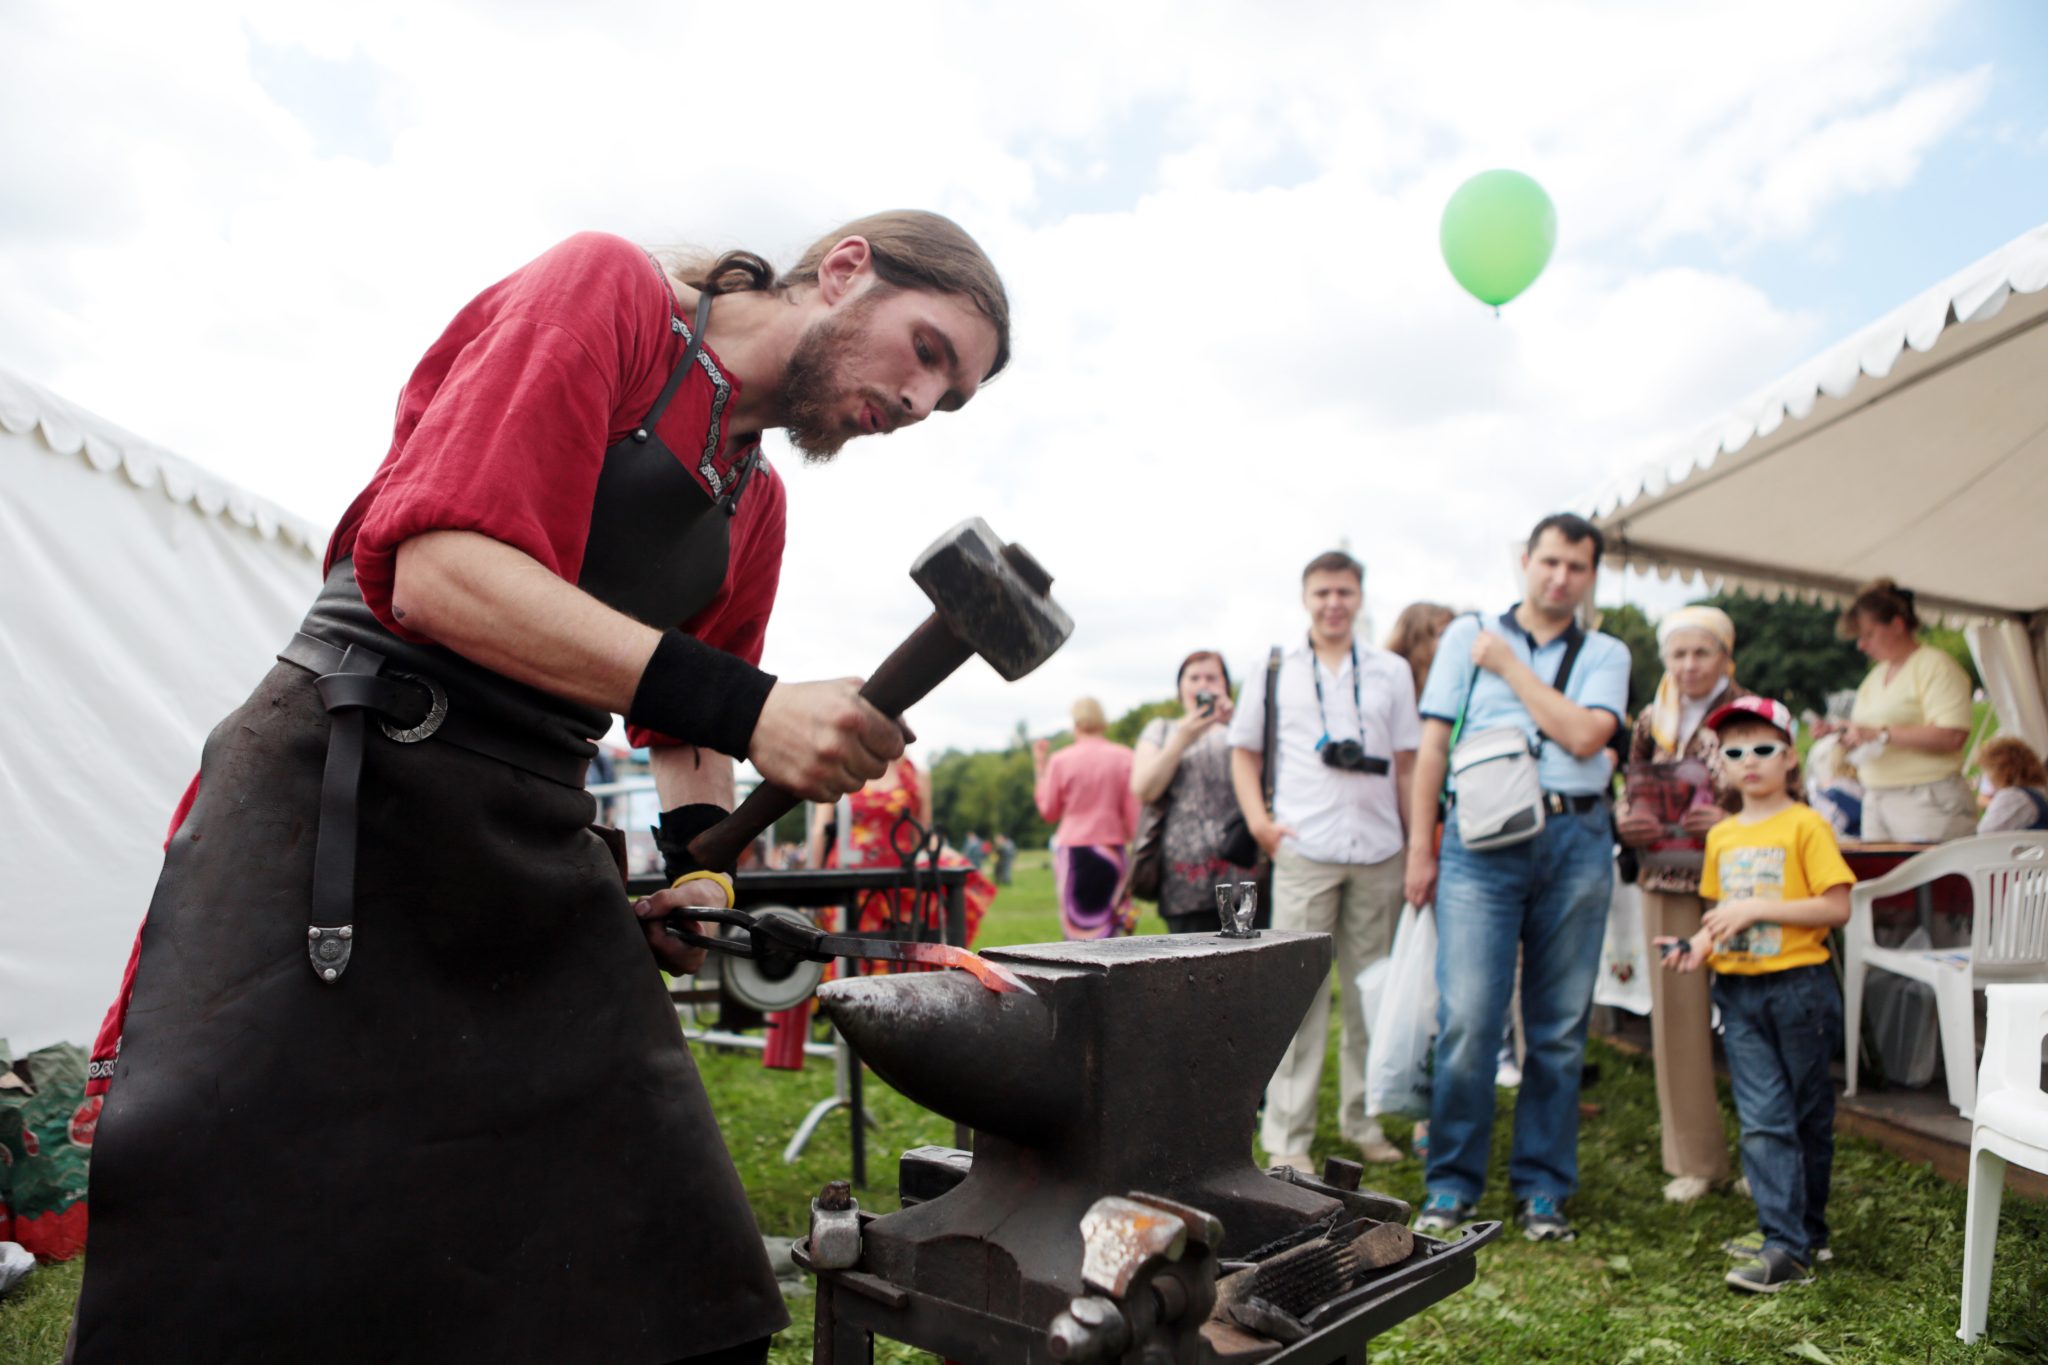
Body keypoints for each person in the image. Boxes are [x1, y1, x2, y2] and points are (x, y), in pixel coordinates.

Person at [70, 212, 1010, 1365]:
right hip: (345, 790)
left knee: (674, 1282)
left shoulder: (751, 503)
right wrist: (755, 705)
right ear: (847, 271)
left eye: (949, 397)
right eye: (925, 352)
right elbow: (441, 569)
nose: (919, 403)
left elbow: (680, 743)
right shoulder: (610, 294)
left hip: (524, 829)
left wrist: (701, 869)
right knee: (244, 1245)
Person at [1405, 513, 1631, 1243]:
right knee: (1469, 1017)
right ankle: (1450, 1183)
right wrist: (1421, 850)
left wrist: (1507, 667)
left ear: (1591, 575)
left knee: (1559, 1027)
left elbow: (1585, 735)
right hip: (1481, 838)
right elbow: (1432, 745)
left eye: (1577, 567)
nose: (1560, 577)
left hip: (1577, 836)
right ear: (1526, 561)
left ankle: (1542, 1189)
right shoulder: (1463, 635)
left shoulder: (1606, 651)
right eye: (1550, 561)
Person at [1658, 695, 1855, 1293]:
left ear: (1790, 757)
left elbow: (1837, 906)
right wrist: (1697, 944)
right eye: (1734, 750)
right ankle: (1782, 1244)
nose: (1749, 760)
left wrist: (1759, 908)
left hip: (1801, 992)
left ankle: (1806, 1234)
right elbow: (1721, 914)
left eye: (1763, 748)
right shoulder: (1721, 834)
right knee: (1764, 1120)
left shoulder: (1806, 824)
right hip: (1739, 995)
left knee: (1807, 1118)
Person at [1231, 550, 1420, 1169]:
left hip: (1379, 847)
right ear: (1306, 598)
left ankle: (1364, 1120)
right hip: (1305, 847)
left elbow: (1408, 761)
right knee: (1300, 994)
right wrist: (1261, 824)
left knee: (1371, 992)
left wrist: (1418, 844)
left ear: (1359, 597)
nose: (1333, 603)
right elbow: (1245, 753)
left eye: (1343, 591)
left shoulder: (1390, 670)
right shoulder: (1273, 668)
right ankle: (1289, 1139)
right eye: (1322, 593)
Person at [1614, 605, 1745, 1204]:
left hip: (1743, 880)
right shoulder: (1649, 720)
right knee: (1678, 1017)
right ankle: (1696, 1157)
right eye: (1679, 654)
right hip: (1666, 879)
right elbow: (1629, 789)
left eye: (1703, 652)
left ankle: (1766, 1156)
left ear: (1725, 655)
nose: (1690, 665)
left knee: (1751, 1014)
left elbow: (1791, 792)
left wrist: (1729, 820)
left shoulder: (1749, 715)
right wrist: (1628, 822)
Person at [1817, 579, 1975, 842]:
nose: (1861, 645)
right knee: (1882, 880)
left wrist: (1882, 734)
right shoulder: (1874, 678)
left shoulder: (1935, 666)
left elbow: (1952, 735)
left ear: (1898, 625)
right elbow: (1866, 735)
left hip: (1927, 799)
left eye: (1868, 634)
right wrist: (1841, 734)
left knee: (1930, 881)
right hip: (1877, 795)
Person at [805, 753, 993, 951]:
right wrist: (811, 887)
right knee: (848, 952)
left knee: (898, 949)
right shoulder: (839, 769)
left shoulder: (916, 775)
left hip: (899, 875)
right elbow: (820, 830)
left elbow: (922, 834)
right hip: (849, 875)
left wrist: (947, 855)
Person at [1132, 650, 1258, 934]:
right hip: (1184, 885)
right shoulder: (1162, 730)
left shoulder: (1242, 728)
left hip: (1245, 875)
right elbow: (1143, 789)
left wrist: (1236, 722)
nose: (1203, 685)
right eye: (1194, 678)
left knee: (1251, 969)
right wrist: (1183, 739)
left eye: (1212, 678)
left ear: (1225, 685)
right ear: (1180, 689)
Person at [1034, 698, 1140, 938]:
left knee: (1077, 932)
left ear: (1076, 723)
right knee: (1110, 930)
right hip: (1111, 850)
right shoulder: (1125, 757)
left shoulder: (1060, 760)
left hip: (1073, 850)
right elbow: (1134, 820)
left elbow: (1049, 811)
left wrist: (1040, 767)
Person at [1976, 736, 2048, 833]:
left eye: (1988, 770)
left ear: (2001, 770)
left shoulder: (2012, 796)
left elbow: (1985, 833)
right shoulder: (2036, 792)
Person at [1386, 602, 1455, 697]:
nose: (1450, 643)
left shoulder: (1451, 685)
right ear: (1416, 638)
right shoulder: (1386, 681)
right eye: (1442, 635)